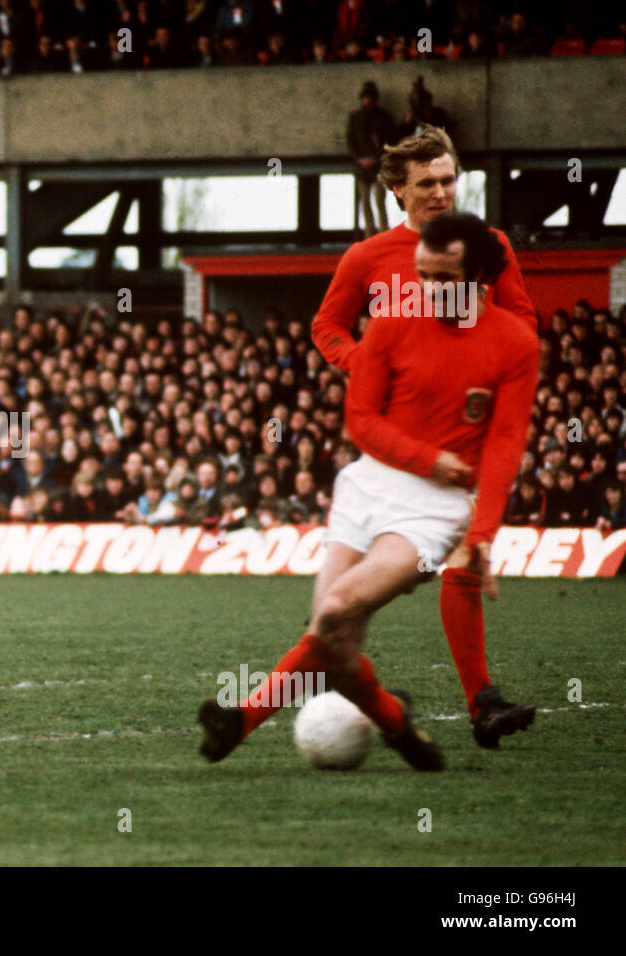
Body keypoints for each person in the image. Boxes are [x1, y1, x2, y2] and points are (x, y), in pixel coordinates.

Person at [199, 212, 540, 771]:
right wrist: (429, 457)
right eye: (421, 275)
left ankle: (240, 720)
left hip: (435, 511)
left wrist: (481, 533)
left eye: (442, 278)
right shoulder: (392, 322)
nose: (426, 290)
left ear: (480, 277)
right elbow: (360, 419)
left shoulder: (515, 344)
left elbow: (505, 446)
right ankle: (398, 725)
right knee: (333, 642)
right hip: (368, 483)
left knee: (336, 609)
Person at [310, 126, 539, 744]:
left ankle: (481, 702)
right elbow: (327, 325)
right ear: (397, 190)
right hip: (392, 436)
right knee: (351, 591)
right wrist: (361, 363)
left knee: (468, 551)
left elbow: (521, 318)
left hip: (462, 431)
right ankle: (362, 685)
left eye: (448, 180)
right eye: (427, 183)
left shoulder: (488, 246)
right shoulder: (367, 257)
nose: (441, 193)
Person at [346, 80, 394, 237]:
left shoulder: (384, 118)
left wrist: (376, 158)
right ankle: (369, 234)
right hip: (362, 166)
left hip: (379, 166)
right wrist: (359, 159)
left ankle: (384, 233)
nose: (367, 100)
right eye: (365, 97)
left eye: (370, 97)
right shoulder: (355, 118)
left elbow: (389, 142)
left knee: (380, 200)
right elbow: (350, 141)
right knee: (365, 201)